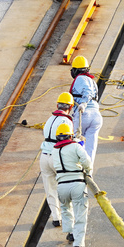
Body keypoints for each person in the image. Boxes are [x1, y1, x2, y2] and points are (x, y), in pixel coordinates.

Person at [53, 123, 93, 247]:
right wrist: (88, 171)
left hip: (62, 185)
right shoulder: (75, 146)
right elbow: (86, 160)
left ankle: (70, 232)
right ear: (70, 135)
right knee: (80, 215)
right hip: (77, 184)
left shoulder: (54, 150)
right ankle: (79, 244)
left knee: (65, 208)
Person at [40, 92, 75, 228]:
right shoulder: (66, 121)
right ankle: (69, 222)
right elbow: (68, 140)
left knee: (50, 189)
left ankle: (56, 218)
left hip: (44, 157)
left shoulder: (50, 119)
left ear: (57, 105)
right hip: (57, 157)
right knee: (66, 188)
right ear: (70, 107)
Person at [69, 55, 103, 162]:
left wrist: (83, 103)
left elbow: (87, 92)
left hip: (84, 115)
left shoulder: (80, 78)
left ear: (75, 70)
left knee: (75, 144)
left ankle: (76, 170)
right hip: (96, 116)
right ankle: (88, 171)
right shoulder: (92, 81)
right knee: (90, 148)